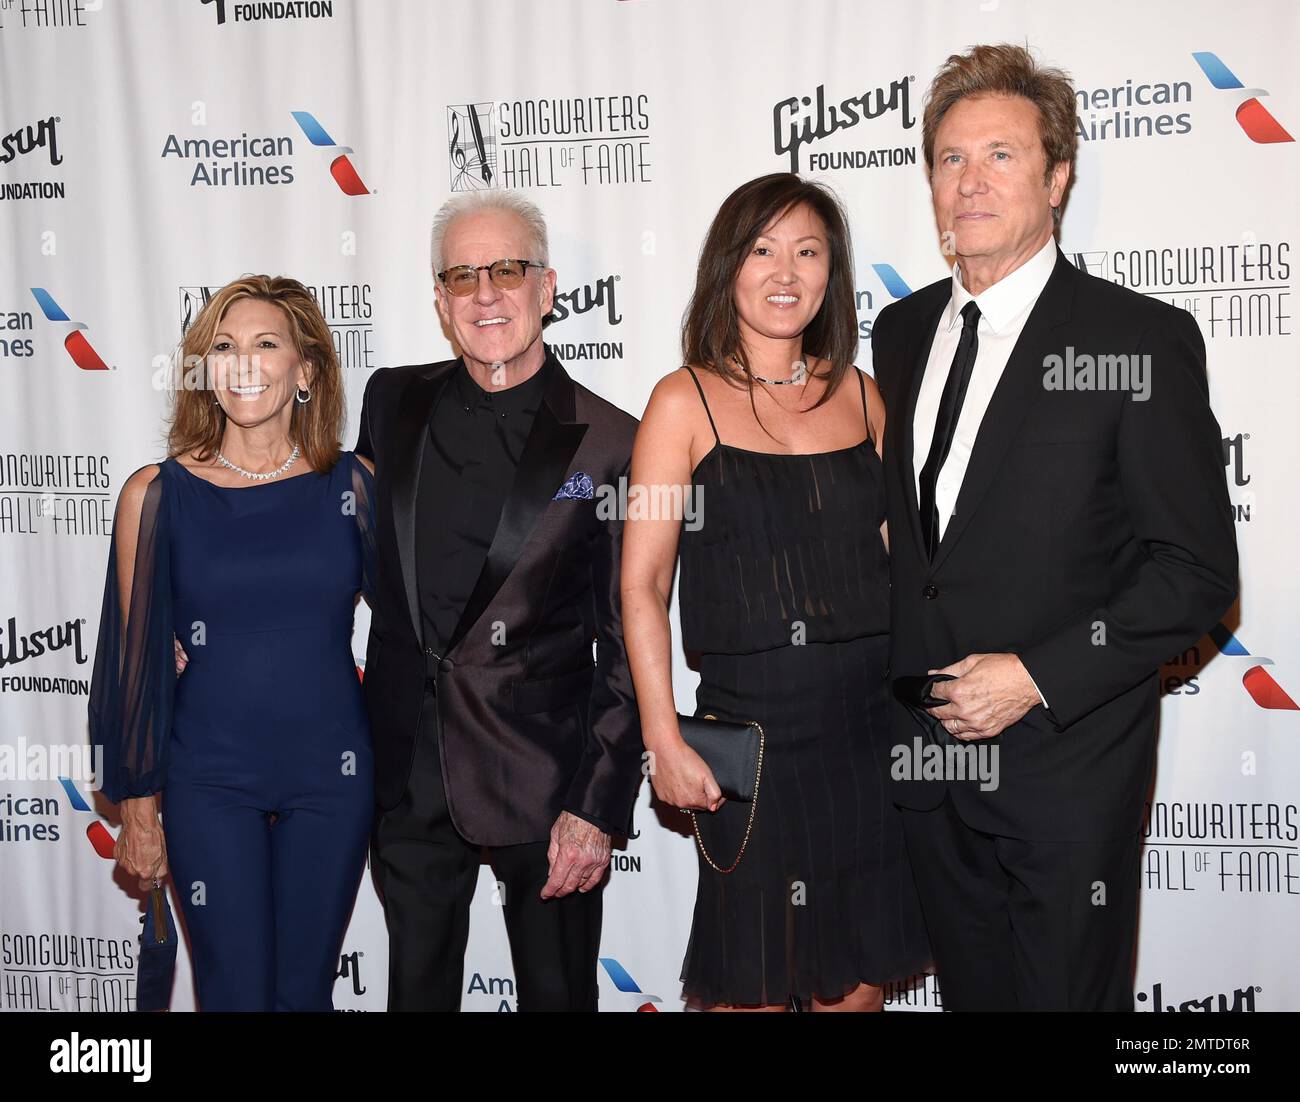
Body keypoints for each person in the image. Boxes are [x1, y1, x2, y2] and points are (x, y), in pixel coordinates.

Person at [871, 43, 1239, 1011]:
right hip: (930, 771)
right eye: (950, 159)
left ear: (1057, 175)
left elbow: (1194, 573)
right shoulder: (900, 333)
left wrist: (1033, 676)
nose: (971, 181)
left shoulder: (1136, 339)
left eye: (1000, 155)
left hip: (1064, 778)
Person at [622, 173, 931, 1011]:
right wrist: (661, 737)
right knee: (751, 986)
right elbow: (642, 584)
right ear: (728, 267)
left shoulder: (863, 399)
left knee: (857, 990)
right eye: (762, 250)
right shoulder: (681, 403)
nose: (785, 270)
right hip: (752, 748)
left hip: (869, 741)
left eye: (808, 251)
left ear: (833, 273)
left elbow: (902, 569)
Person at [356, 191, 642, 1012]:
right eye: (462, 276)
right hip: (406, 773)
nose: (486, 293)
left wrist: (595, 807)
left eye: (508, 270)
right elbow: (340, 539)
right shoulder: (392, 402)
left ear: (547, 289)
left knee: (558, 997)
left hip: (544, 783)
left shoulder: (608, 441)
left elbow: (628, 642)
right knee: (415, 993)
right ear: (441, 300)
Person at [89, 275, 377, 1011]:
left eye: (265, 343)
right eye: (223, 346)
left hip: (331, 778)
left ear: (305, 370)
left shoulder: (356, 485)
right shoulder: (155, 494)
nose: (242, 362)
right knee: (234, 997)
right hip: (207, 778)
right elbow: (134, 667)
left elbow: (419, 633)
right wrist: (141, 812)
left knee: (303, 996)